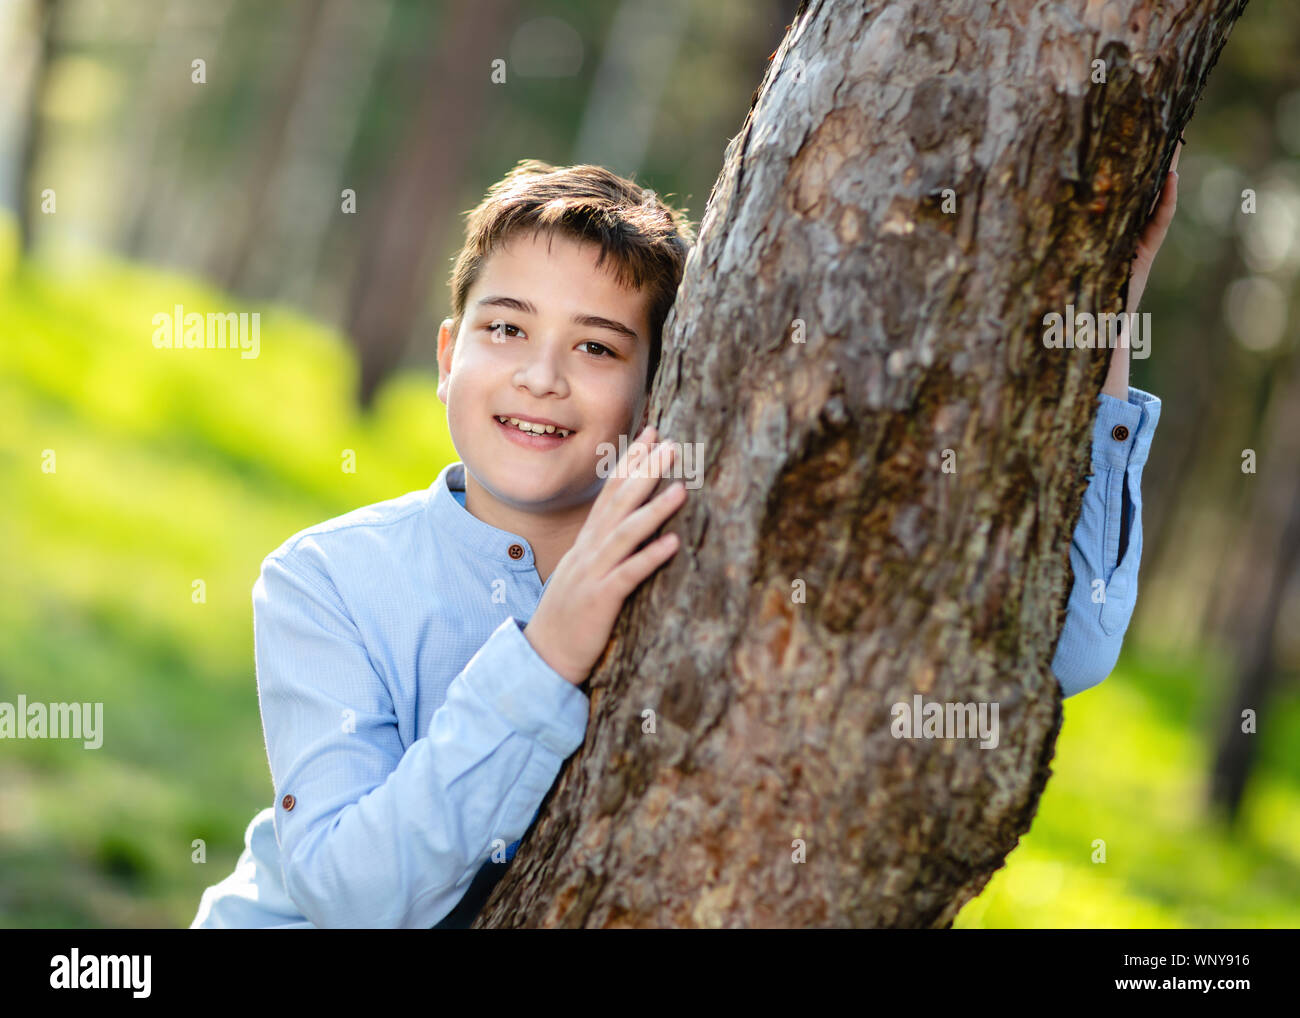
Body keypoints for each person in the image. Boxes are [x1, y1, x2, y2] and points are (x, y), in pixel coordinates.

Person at [190, 150, 1177, 928]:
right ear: (449, 357)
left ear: (662, 386)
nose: (541, 376)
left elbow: (1066, 643)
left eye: (595, 346)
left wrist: (1107, 309)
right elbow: (351, 900)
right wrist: (547, 655)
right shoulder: (325, 579)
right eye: (504, 329)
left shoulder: (697, 546)